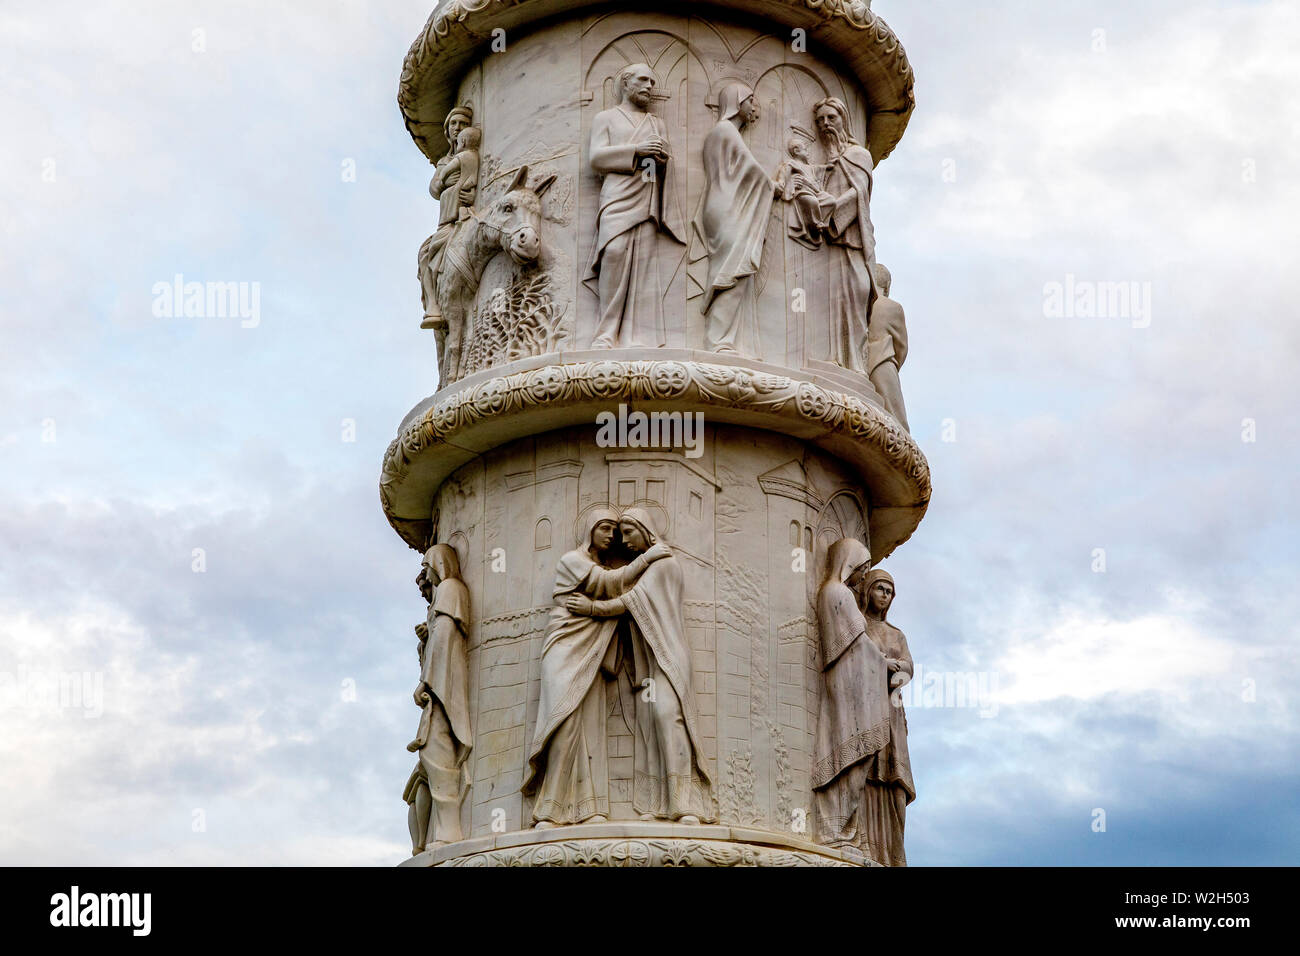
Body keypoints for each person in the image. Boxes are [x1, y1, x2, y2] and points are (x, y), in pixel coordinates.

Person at [564, 508, 715, 823]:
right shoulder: (647, 567)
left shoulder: (662, 564)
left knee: (668, 720)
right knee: (651, 725)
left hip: (667, 655)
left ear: (647, 530)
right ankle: (660, 805)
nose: (624, 541)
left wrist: (592, 608)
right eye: (619, 533)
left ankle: (686, 805)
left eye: (629, 532)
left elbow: (631, 602)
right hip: (651, 661)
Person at [523, 509, 671, 826]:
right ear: (589, 530)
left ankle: (589, 809)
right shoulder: (572, 561)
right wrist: (649, 558)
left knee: (590, 725)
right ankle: (550, 809)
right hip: (563, 650)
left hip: (590, 653)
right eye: (605, 529)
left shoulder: (599, 566)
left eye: (616, 531)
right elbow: (607, 583)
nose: (611, 536)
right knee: (564, 723)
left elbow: (623, 600)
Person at [583, 64, 687, 348]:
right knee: (613, 254)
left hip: (646, 198)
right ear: (625, 83)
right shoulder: (606, 118)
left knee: (644, 265)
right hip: (617, 196)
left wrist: (659, 158)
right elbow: (596, 159)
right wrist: (637, 151)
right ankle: (605, 334)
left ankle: (636, 336)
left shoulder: (656, 123)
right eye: (643, 80)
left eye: (652, 82)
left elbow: (658, 166)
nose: (649, 86)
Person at [695, 82, 775, 356]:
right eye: (750, 100)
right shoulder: (725, 131)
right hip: (728, 209)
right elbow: (753, 173)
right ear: (736, 102)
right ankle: (719, 341)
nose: (754, 106)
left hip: (726, 206)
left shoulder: (725, 133)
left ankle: (726, 339)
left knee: (732, 272)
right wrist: (777, 186)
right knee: (732, 272)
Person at [403, 544, 473, 851]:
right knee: (429, 765)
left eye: (426, 567)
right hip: (442, 685)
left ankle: (449, 833)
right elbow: (438, 640)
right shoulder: (444, 596)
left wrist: (426, 683)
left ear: (438, 564)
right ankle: (435, 837)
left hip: (444, 686)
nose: (424, 577)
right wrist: (425, 643)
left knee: (437, 759)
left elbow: (444, 640)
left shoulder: (450, 589)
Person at [813, 97, 877, 374]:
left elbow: (860, 192)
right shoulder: (825, 160)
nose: (825, 124)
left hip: (852, 240)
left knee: (856, 295)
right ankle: (835, 358)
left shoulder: (858, 155)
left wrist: (834, 212)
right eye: (820, 120)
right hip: (831, 242)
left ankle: (856, 365)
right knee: (831, 301)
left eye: (831, 118)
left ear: (844, 120)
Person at [419, 105, 476, 330]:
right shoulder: (444, 161)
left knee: (428, 253)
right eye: (453, 124)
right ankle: (433, 306)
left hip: (465, 217)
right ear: (447, 129)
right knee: (425, 255)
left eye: (462, 124)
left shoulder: (470, 155)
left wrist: (471, 193)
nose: (457, 128)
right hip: (446, 219)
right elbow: (433, 188)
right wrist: (443, 182)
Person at [866, 263, 910, 431]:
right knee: (897, 422)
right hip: (882, 363)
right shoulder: (892, 307)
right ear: (887, 286)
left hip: (858, 365)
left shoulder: (856, 301)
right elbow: (901, 348)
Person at [775, 136, 833, 249]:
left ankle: (821, 223)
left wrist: (828, 167)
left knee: (831, 200)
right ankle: (815, 224)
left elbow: (819, 169)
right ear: (797, 151)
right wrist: (787, 184)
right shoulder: (791, 164)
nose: (808, 152)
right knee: (812, 201)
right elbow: (782, 178)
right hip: (802, 192)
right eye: (805, 149)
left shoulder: (810, 167)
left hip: (814, 191)